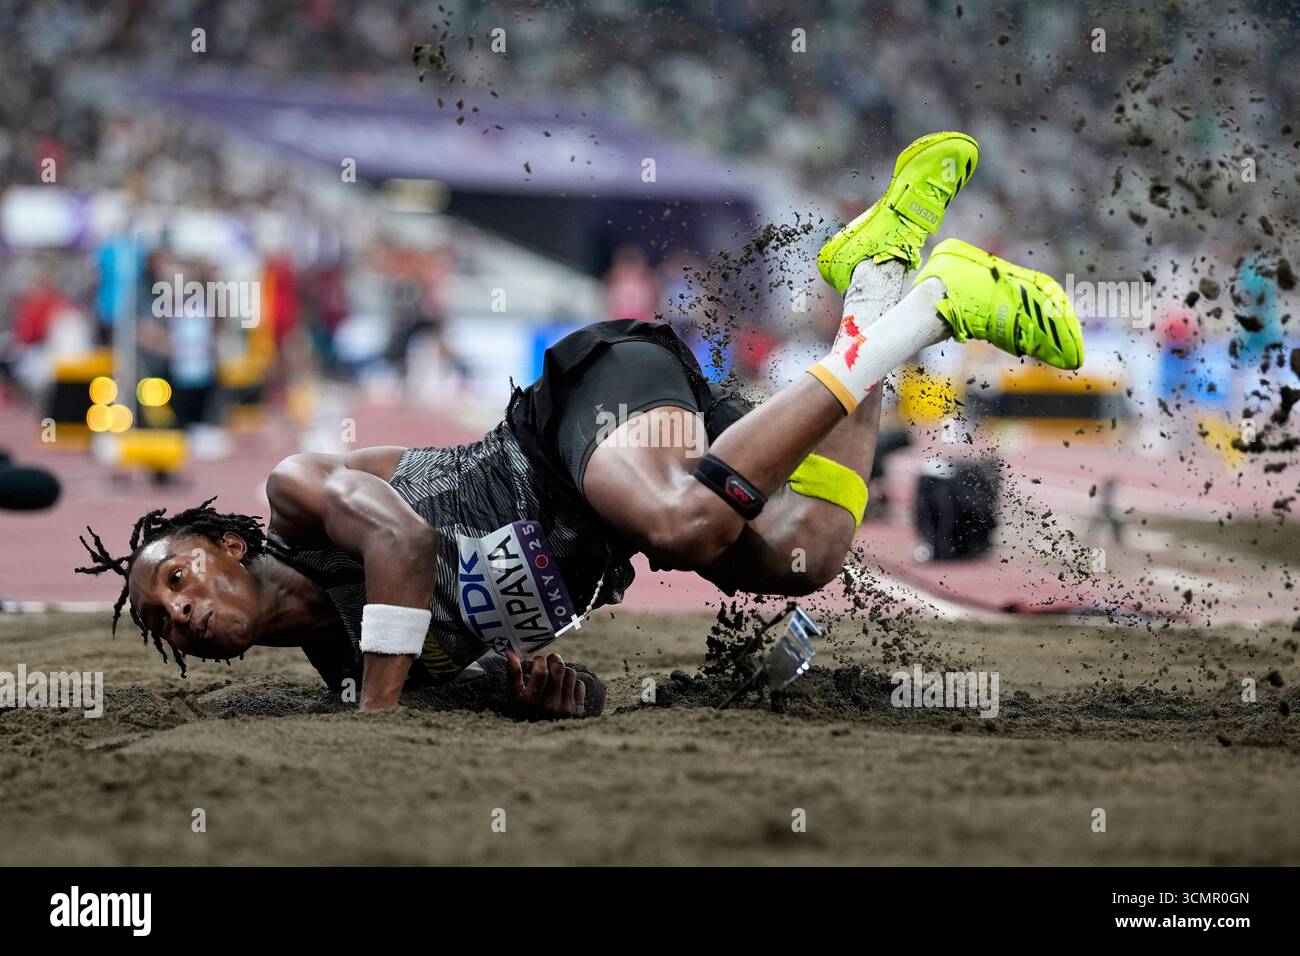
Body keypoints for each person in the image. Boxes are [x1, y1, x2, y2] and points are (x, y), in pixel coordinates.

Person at [75, 132, 1083, 718]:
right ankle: (876, 272)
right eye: (165, 620)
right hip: (619, 521)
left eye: (174, 578)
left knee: (688, 522)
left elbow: (405, 538)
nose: (181, 610)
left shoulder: (296, 494)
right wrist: (548, 690)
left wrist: (375, 718)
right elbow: (563, 691)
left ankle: (932, 308)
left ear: (220, 544)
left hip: (571, 422)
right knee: (803, 554)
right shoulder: (351, 665)